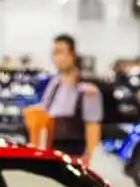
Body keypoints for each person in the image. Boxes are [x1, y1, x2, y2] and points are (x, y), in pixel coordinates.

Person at [38, 34, 102, 165]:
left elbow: (93, 125)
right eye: (54, 53)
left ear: (72, 54)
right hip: (53, 150)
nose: (57, 58)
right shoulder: (54, 84)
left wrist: (90, 157)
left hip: (76, 152)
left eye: (60, 52)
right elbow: (44, 113)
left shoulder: (86, 88)